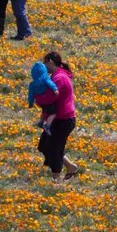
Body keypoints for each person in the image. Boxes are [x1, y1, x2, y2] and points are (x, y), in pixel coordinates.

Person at [33, 52, 79, 181]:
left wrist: (37, 97)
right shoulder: (57, 75)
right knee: (44, 146)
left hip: (63, 119)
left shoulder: (59, 78)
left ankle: (56, 181)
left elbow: (51, 96)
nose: (44, 66)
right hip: (58, 119)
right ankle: (71, 167)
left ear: (51, 62)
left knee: (54, 149)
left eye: (45, 62)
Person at [27, 61, 58, 133]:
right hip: (47, 99)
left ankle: (41, 122)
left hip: (39, 101)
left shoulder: (32, 84)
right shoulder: (45, 79)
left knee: (44, 110)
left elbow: (30, 94)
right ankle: (47, 125)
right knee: (53, 113)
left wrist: (30, 103)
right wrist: (55, 89)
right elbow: (50, 83)